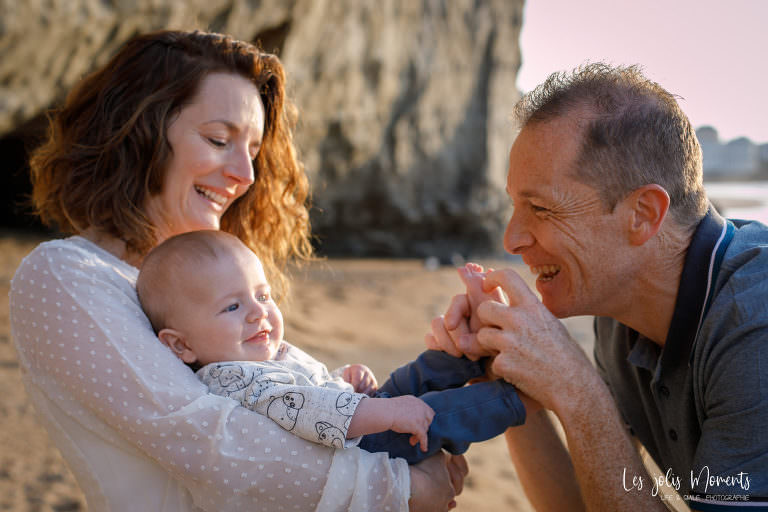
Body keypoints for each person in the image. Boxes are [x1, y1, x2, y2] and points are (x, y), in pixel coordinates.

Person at [9, 29, 466, 512]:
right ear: (139, 132)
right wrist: (406, 488)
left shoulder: (219, 287)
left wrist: (446, 369)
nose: (245, 177)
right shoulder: (66, 275)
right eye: (218, 139)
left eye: (251, 152)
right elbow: (216, 443)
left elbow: (300, 408)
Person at [427, 63, 768, 511]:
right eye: (515, 206)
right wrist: (505, 377)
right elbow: (585, 502)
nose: (512, 239)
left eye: (541, 208)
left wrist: (579, 391)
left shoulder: (754, 327)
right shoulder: (622, 313)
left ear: (643, 214)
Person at [135, 229, 526, 464]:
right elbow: (303, 410)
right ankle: (514, 396)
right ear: (180, 345)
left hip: (359, 419)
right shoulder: (228, 378)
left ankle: (470, 351)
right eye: (233, 306)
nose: (259, 314)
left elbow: (308, 394)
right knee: (439, 414)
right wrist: (384, 410)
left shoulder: (253, 353)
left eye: (264, 296)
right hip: (361, 447)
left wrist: (343, 380)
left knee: (418, 374)